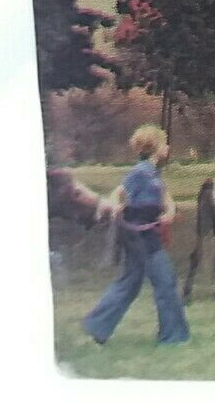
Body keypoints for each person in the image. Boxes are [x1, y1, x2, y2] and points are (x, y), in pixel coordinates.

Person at [82, 125, 189, 345]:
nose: (167, 147)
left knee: (130, 281)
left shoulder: (154, 173)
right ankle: (173, 337)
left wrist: (169, 212)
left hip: (148, 234)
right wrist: (115, 208)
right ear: (155, 148)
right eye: (164, 143)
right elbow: (117, 194)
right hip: (139, 235)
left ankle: (96, 326)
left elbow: (166, 199)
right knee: (165, 281)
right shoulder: (139, 172)